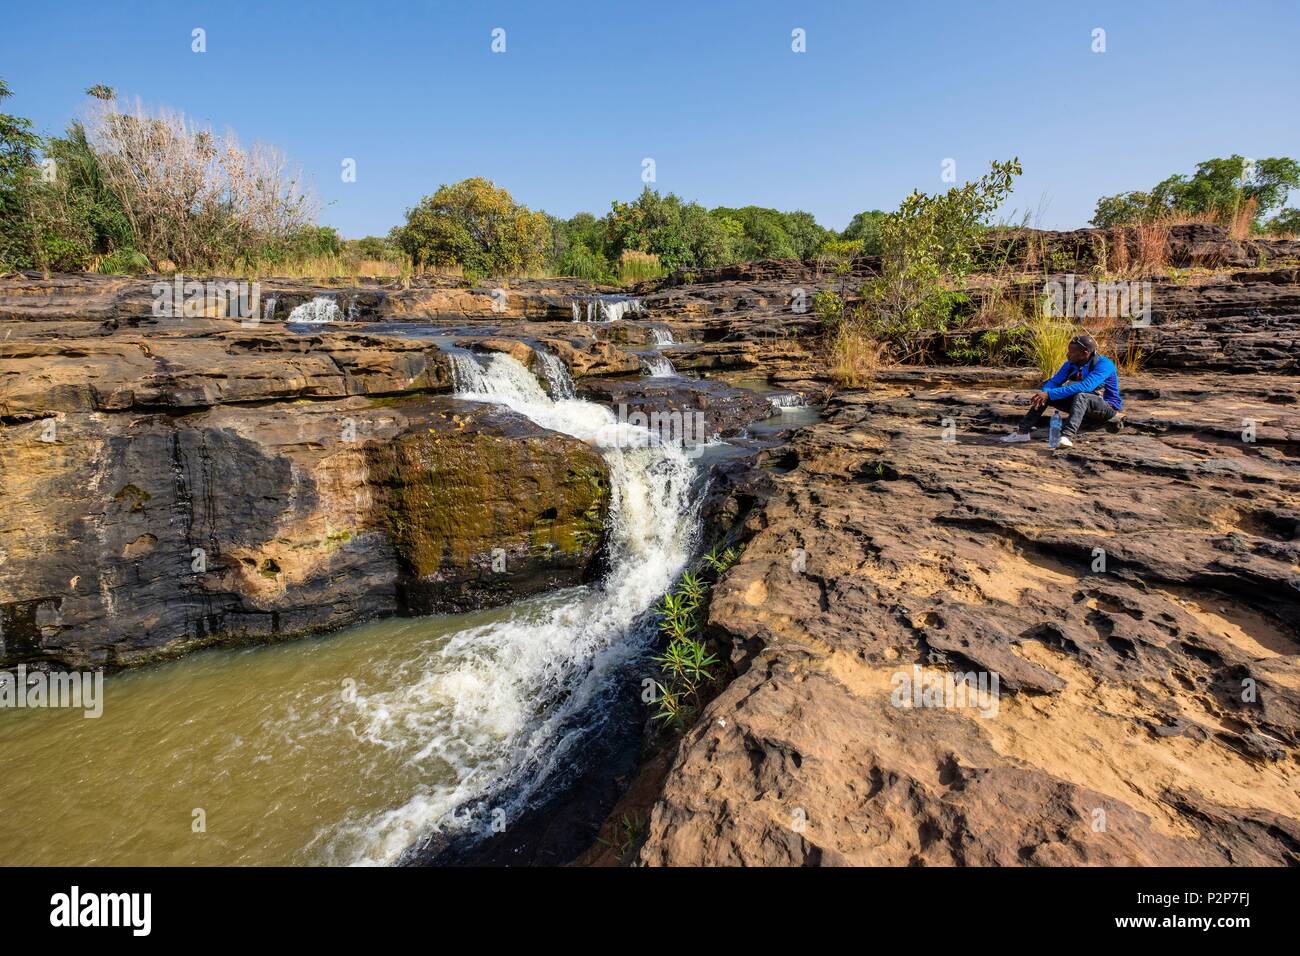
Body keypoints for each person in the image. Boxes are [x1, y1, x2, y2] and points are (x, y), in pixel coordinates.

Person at [1002, 333, 1123, 447]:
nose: (1068, 354)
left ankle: (1066, 436)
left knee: (1081, 395)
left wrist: (1050, 393)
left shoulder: (1104, 364)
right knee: (1046, 395)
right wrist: (1045, 393)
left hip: (1106, 409)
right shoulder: (1071, 363)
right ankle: (1022, 433)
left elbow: (1086, 387)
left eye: (1072, 352)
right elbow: (1054, 382)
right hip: (1082, 405)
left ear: (1085, 353)